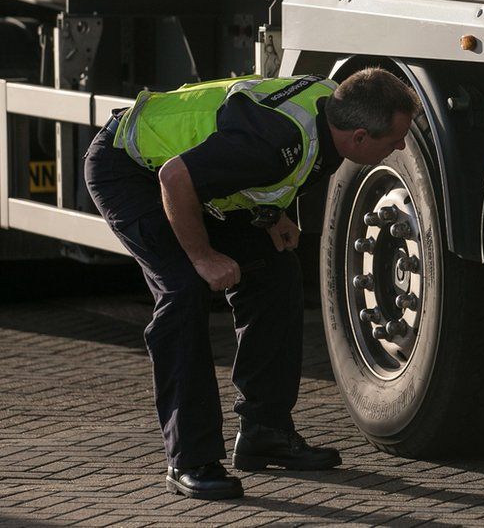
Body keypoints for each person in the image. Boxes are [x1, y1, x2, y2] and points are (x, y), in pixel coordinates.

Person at [84, 68, 421, 500]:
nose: (401, 145)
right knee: (183, 289)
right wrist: (203, 257)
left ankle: (265, 431)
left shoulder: (328, 109)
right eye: (395, 137)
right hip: (133, 170)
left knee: (276, 271)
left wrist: (270, 216)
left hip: (191, 177)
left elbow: (250, 172)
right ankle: (190, 460)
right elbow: (176, 178)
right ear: (358, 137)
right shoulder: (274, 143)